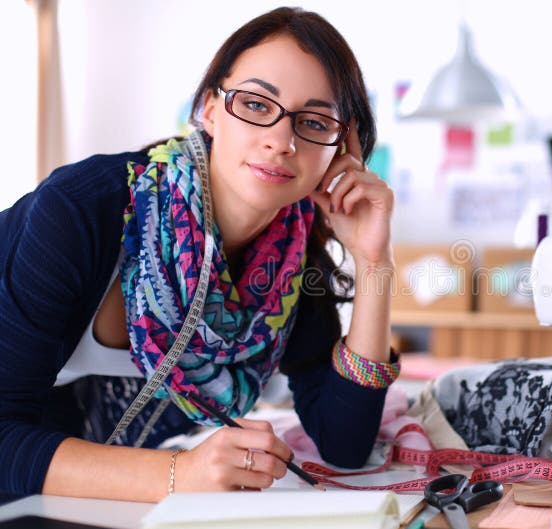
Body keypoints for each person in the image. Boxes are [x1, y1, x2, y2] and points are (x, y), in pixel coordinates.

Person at [0, 7, 398, 502]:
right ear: (209, 109)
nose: (281, 140)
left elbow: (345, 443)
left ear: (341, 149)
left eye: (314, 122)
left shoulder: (290, 261)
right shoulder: (80, 210)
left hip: (65, 457)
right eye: (256, 104)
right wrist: (178, 474)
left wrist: (374, 261)